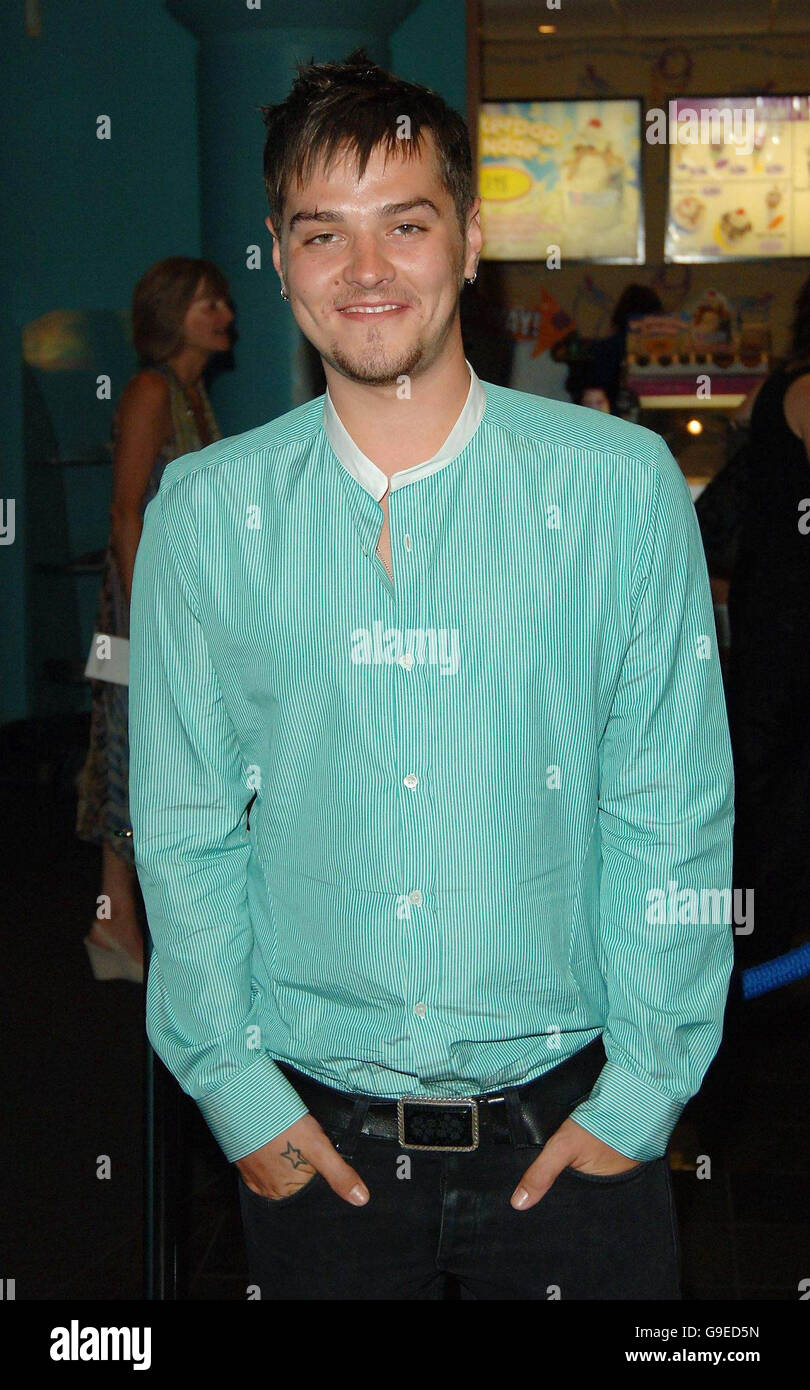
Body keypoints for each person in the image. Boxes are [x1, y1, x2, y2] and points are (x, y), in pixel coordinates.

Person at [128, 50, 734, 1300]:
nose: (365, 272)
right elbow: (185, 828)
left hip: (578, 1145)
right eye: (321, 233)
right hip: (312, 1151)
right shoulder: (206, 514)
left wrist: (648, 1091)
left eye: (405, 224)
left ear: (467, 241)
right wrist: (233, 1092)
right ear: (280, 258)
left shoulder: (616, 489)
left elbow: (673, 803)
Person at [76, 257, 232, 982]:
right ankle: (117, 920)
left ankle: (120, 923)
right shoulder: (148, 390)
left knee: (132, 744)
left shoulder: (190, 393)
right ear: (173, 313)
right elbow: (124, 511)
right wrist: (151, 617)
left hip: (155, 606)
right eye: (209, 303)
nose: (225, 314)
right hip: (133, 610)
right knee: (123, 741)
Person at [725, 275, 810, 970]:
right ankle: (761, 960)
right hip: (789, 636)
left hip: (771, 628)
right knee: (781, 806)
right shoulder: (805, 391)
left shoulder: (782, 386)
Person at [569, 284, 663, 414]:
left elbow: (583, 389)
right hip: (644, 417)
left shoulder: (602, 349)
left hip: (609, 421)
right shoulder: (659, 350)